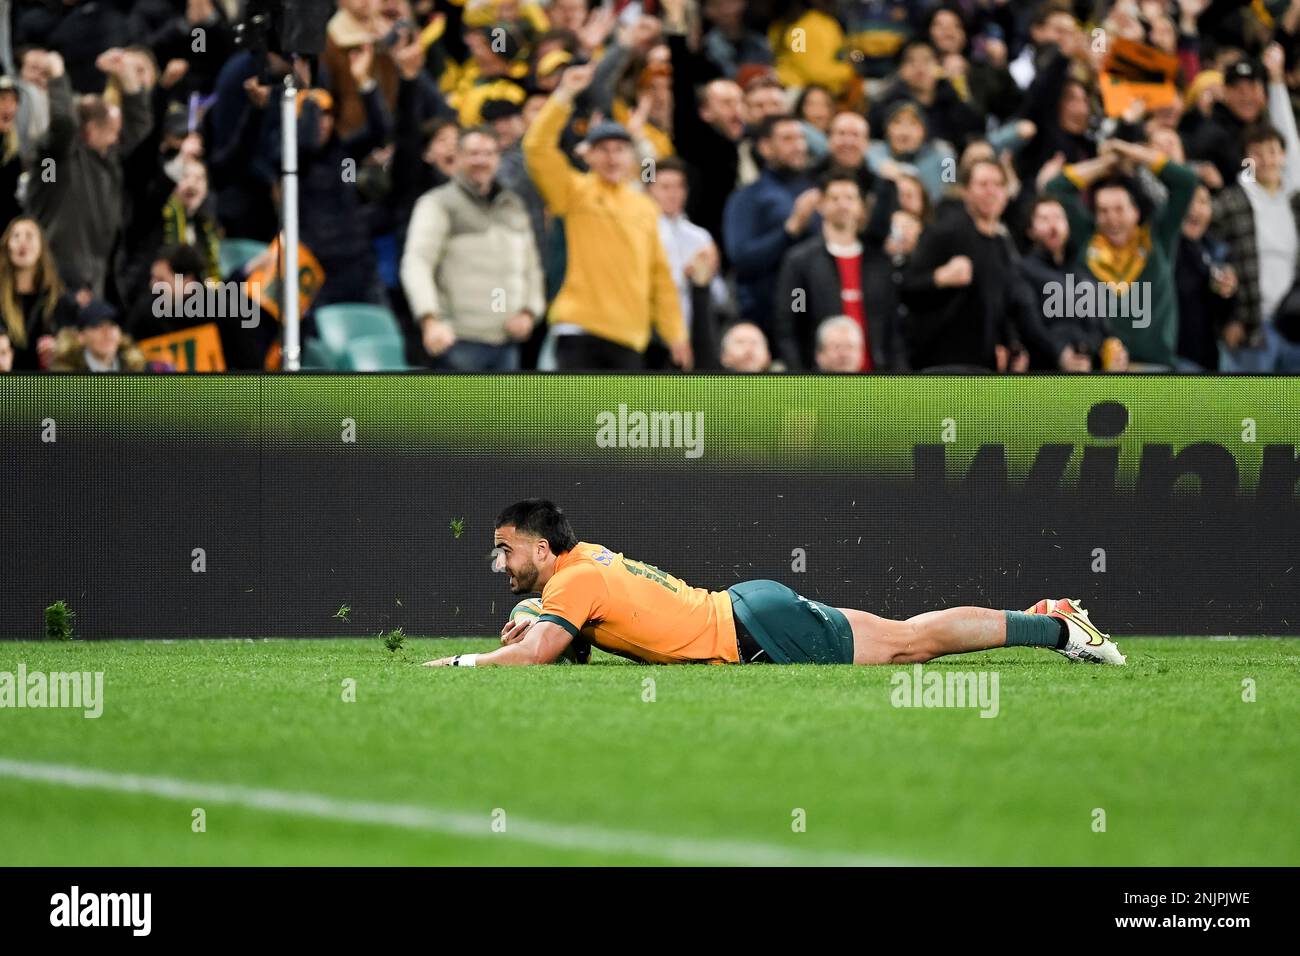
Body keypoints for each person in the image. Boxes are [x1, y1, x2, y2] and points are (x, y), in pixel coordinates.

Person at [422, 499, 1126, 667]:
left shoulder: (570, 587)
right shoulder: (582, 564)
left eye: (505, 551)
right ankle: (1050, 616)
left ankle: (1060, 628)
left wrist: (466, 662)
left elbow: (544, 654)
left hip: (755, 627)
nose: (500, 563)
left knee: (913, 644)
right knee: (909, 635)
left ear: (542, 549)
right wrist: (536, 613)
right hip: (750, 609)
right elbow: (570, 643)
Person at [524, 62, 691, 371]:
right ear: (589, 155)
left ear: (631, 156)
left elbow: (660, 277)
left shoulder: (645, 208)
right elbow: (536, 148)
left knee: (617, 420)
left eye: (619, 149)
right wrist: (563, 95)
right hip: (578, 328)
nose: (612, 157)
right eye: (603, 149)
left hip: (629, 337)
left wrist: (676, 333)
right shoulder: (574, 191)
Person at [401, 126, 544, 371]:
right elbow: (417, 263)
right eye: (473, 153)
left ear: (498, 158)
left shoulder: (513, 205)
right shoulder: (437, 203)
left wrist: (530, 311)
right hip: (458, 341)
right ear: (458, 157)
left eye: (489, 154)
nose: (481, 160)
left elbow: (532, 267)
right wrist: (429, 319)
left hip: (507, 341)